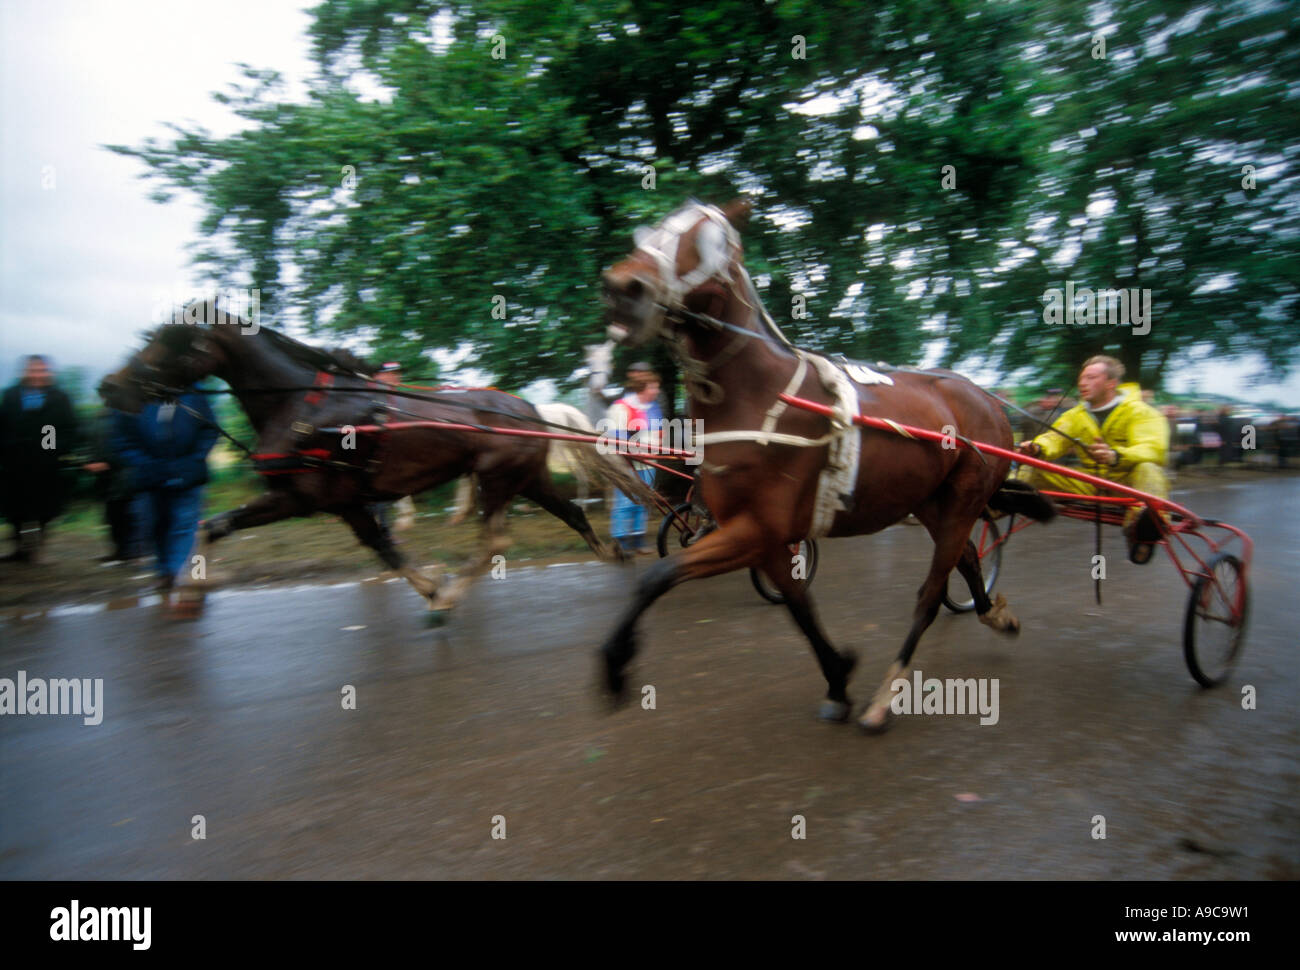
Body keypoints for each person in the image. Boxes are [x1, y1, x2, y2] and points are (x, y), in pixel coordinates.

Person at [1014, 355, 1169, 564]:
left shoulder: (1141, 411)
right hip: (1090, 483)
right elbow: (1054, 439)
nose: (1081, 383)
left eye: (1090, 377)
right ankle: (992, 504)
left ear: (1111, 383)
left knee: (1149, 469)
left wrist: (1115, 455)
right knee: (1033, 467)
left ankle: (1142, 532)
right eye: (1081, 378)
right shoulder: (1075, 415)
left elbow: (1153, 448)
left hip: (1128, 484)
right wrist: (1037, 448)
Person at [111, 388, 218, 594]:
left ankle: (181, 576)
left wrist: (195, 458)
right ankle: (165, 572)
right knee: (154, 526)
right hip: (149, 475)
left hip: (188, 474)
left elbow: (210, 428)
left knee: (185, 524)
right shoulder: (131, 396)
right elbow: (120, 439)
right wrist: (146, 463)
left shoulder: (194, 393)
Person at [0, 355, 79, 563]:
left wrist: (51, 448)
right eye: (33, 371)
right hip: (14, 463)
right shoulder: (11, 395)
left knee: (45, 509)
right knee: (15, 509)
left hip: (46, 465)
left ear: (48, 373)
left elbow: (68, 427)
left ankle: (36, 547)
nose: (37, 375)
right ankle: (19, 548)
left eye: (42, 371)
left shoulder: (59, 398)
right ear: (25, 372)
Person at [607, 373, 661, 556]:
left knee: (644, 500)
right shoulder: (621, 408)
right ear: (641, 388)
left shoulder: (654, 408)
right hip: (627, 463)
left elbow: (658, 433)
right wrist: (629, 455)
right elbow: (616, 436)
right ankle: (621, 542)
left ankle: (638, 540)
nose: (657, 390)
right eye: (653, 387)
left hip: (650, 463)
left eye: (657, 387)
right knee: (624, 501)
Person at [84, 406, 140, 563]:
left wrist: (108, 462)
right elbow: (90, 440)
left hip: (124, 473)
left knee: (126, 513)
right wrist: (89, 460)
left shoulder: (131, 414)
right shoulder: (99, 416)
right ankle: (120, 550)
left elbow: (132, 444)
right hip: (104, 476)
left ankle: (130, 551)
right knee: (111, 514)